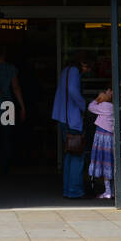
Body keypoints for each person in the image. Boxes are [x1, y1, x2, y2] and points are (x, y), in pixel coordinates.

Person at [52, 60, 88, 198]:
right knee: (77, 155)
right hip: (72, 119)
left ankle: (68, 190)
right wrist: (84, 105)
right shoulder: (74, 71)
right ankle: (75, 191)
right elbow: (72, 90)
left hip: (63, 118)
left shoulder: (66, 70)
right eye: (87, 66)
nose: (87, 70)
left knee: (69, 154)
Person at [88, 88, 115, 199]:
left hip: (102, 138)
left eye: (108, 91)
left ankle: (108, 191)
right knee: (111, 164)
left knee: (104, 164)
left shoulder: (105, 105)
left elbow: (90, 107)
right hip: (111, 138)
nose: (106, 91)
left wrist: (97, 99)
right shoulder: (113, 106)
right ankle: (112, 191)